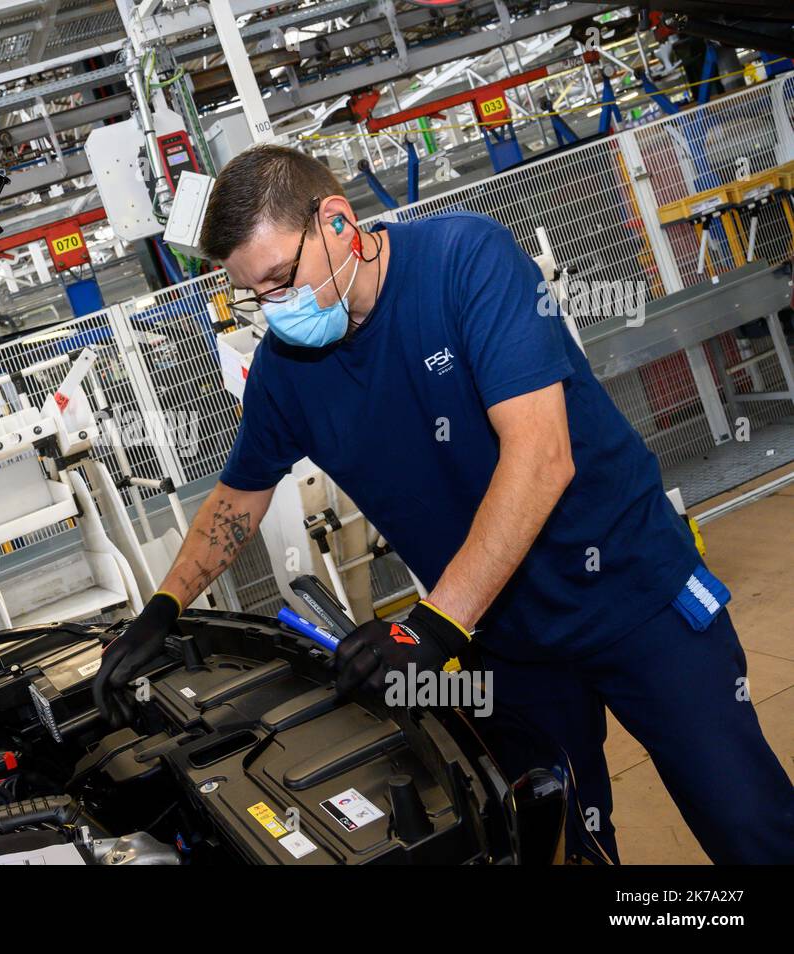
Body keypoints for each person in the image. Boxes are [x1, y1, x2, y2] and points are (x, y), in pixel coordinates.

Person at [92, 143, 794, 864]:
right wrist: (161, 609)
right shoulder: (285, 375)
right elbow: (237, 501)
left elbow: (541, 456)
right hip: (506, 642)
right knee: (549, 840)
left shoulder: (465, 260)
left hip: (635, 598)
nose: (275, 310)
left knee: (747, 823)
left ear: (337, 221)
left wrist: (431, 627)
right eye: (254, 296)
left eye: (280, 280)